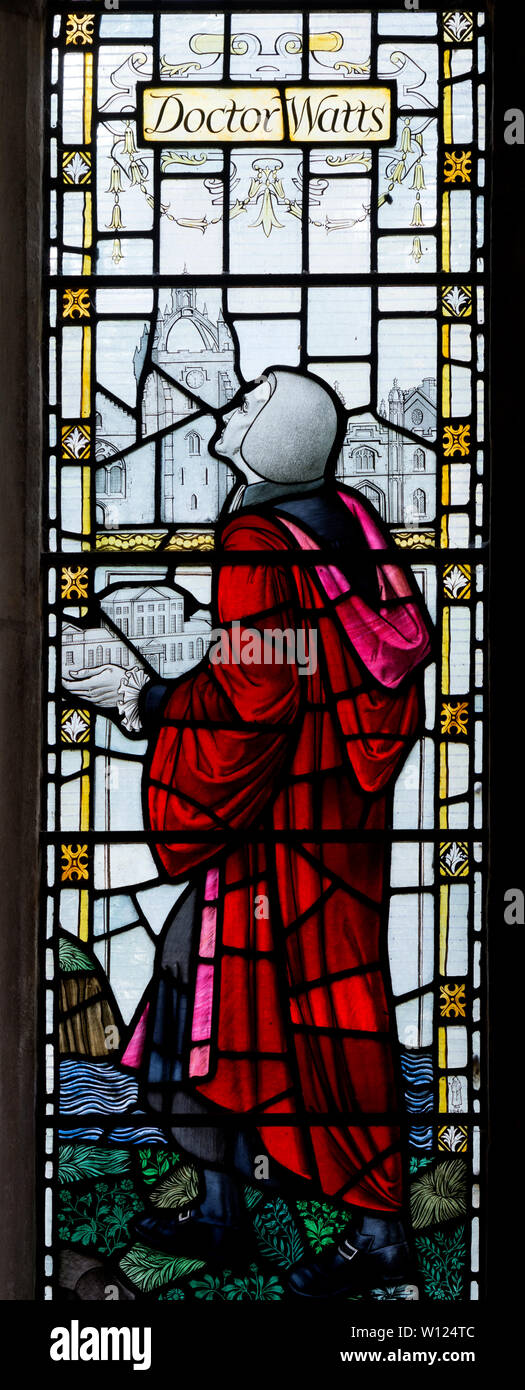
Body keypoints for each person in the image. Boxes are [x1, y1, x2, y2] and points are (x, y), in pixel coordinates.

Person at [64, 368, 432, 1297]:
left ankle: (379, 1237)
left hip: (278, 829)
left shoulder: (259, 539)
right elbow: (317, 670)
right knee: (216, 999)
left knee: (308, 1020)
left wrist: (145, 698)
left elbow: (255, 690)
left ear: (270, 438)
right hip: (328, 821)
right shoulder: (347, 522)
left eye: (247, 404)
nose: (228, 412)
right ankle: (226, 1214)